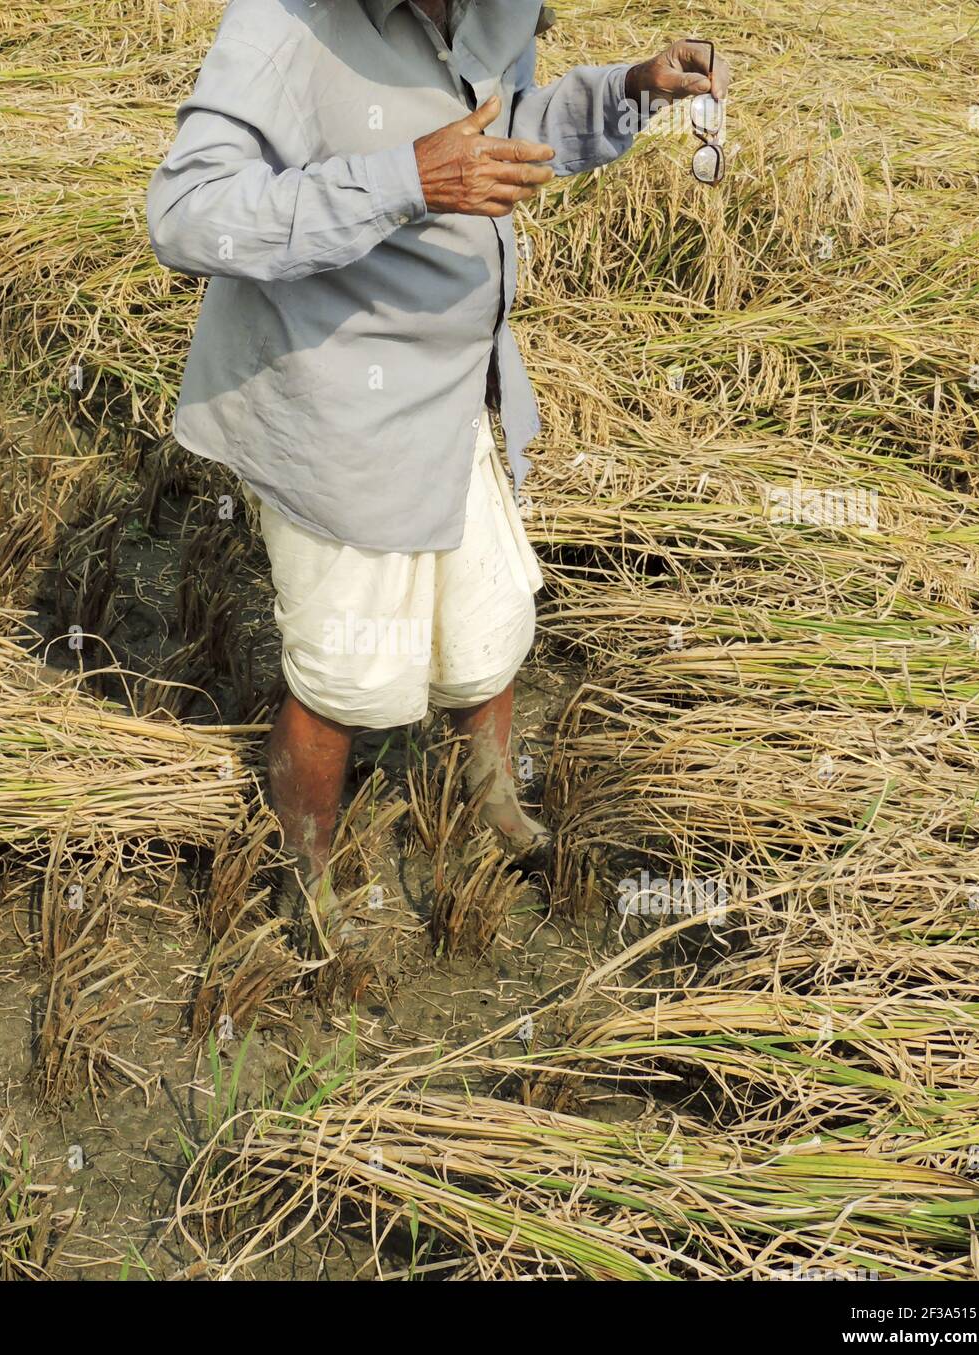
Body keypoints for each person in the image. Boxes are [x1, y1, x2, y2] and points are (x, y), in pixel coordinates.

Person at [146, 0, 730, 930]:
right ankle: (306, 881)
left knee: (486, 624)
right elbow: (187, 217)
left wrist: (629, 89)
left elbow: (507, 132)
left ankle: (493, 796)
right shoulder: (282, 25)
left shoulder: (494, 8)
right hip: (335, 401)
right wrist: (403, 179)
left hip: (458, 386)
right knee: (344, 672)